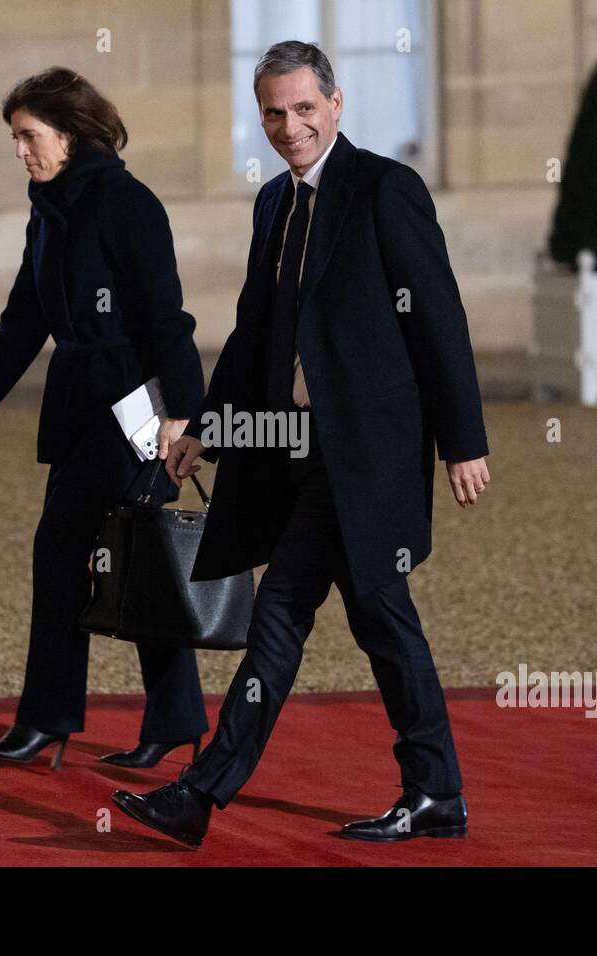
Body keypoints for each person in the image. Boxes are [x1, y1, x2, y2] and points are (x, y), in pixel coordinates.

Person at [112, 41, 491, 846]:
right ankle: (438, 794)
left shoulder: (387, 190)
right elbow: (254, 337)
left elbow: (440, 321)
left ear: (336, 103)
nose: (290, 127)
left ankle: (202, 794)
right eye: (274, 114)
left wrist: (464, 441)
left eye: (304, 109)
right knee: (382, 620)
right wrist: (206, 427)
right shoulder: (272, 205)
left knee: (281, 611)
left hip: (367, 455)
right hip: (289, 446)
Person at [0, 68, 209, 770]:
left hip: (137, 415)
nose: (20, 150)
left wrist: (186, 417)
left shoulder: (128, 203)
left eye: (29, 136)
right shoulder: (46, 210)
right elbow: (25, 319)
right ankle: (47, 719)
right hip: (78, 413)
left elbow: (166, 321)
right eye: (15, 139)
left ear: (70, 132)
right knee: (57, 559)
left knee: (143, 568)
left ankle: (174, 721)